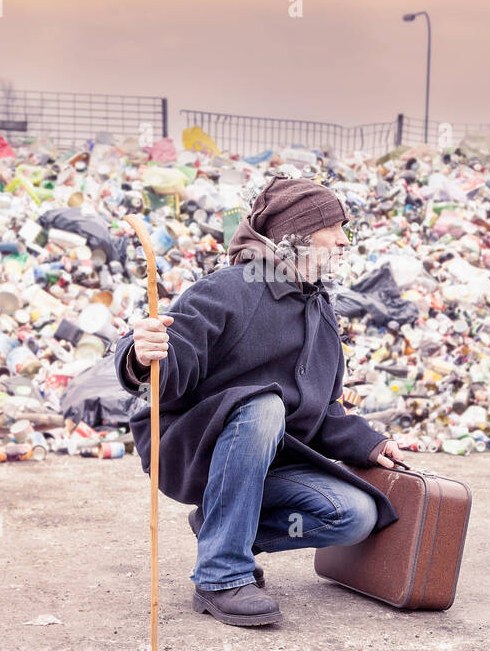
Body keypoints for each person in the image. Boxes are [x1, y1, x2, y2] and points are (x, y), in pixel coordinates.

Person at [113, 177, 409, 627]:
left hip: (268, 464)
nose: (344, 241)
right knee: (263, 404)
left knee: (356, 516)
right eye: (335, 228)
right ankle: (220, 573)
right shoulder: (231, 289)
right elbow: (169, 363)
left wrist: (369, 444)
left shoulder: (320, 309)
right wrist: (141, 352)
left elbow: (324, 408)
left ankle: (221, 528)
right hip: (197, 449)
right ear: (299, 234)